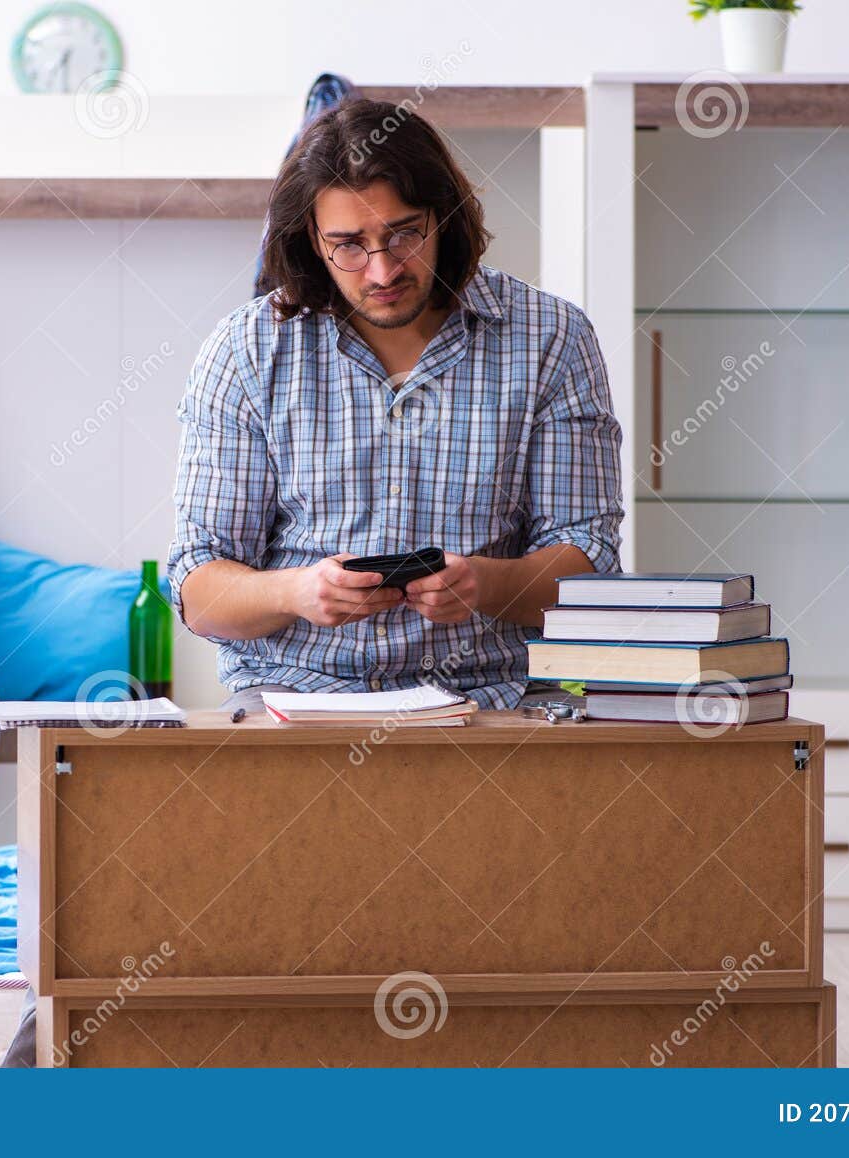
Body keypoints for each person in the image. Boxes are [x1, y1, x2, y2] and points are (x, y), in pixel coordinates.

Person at [170, 99, 624, 715]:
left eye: (404, 234)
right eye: (349, 245)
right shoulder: (246, 350)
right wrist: (298, 591)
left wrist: (485, 584)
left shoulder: (552, 337)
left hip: (494, 700)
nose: (382, 271)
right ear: (312, 240)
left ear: (446, 217)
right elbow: (199, 591)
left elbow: (589, 564)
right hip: (292, 699)